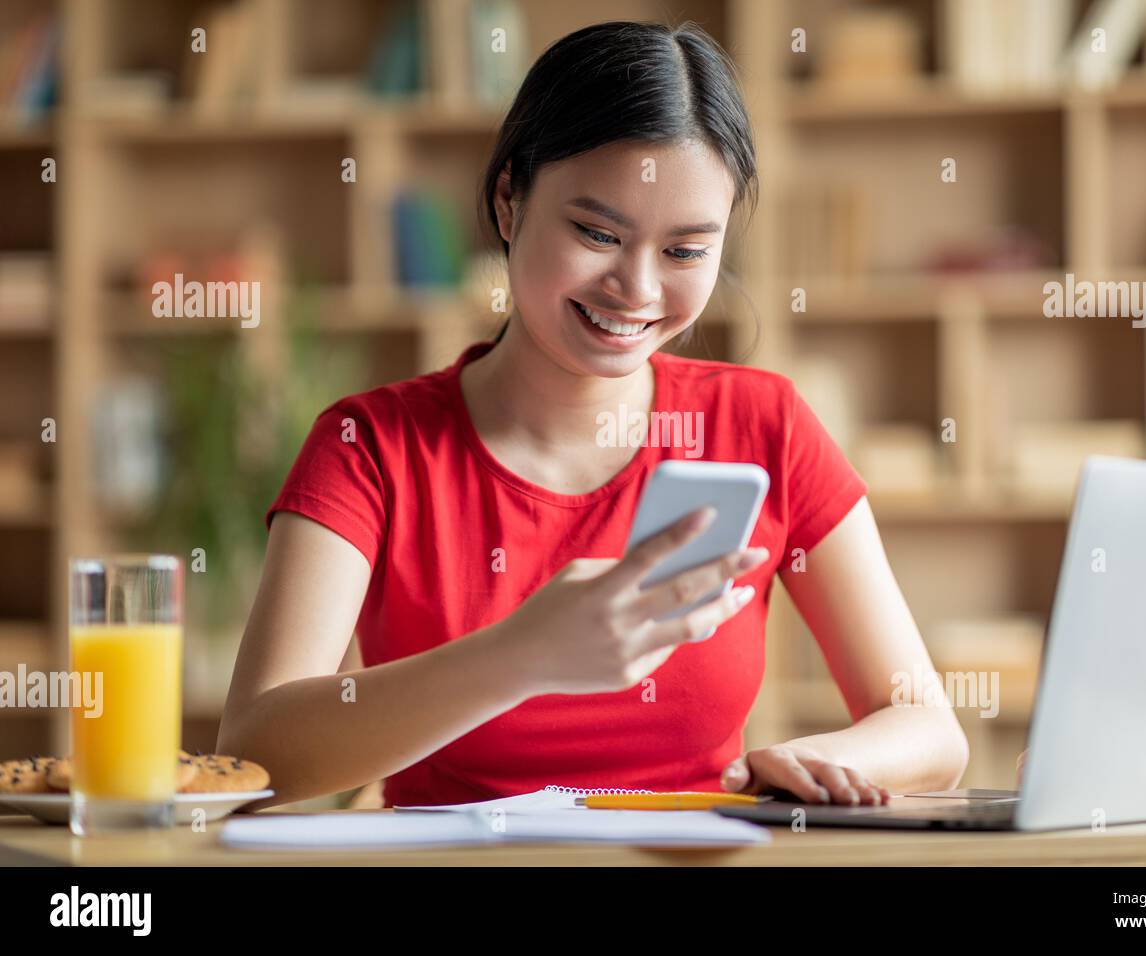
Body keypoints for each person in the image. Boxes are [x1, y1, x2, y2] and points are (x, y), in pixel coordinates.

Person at [217, 20, 968, 810]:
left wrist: (808, 759)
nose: (637, 290)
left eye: (684, 252)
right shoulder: (370, 446)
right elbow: (258, 749)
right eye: (597, 232)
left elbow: (926, 727)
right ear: (510, 201)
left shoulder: (763, 424)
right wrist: (522, 656)